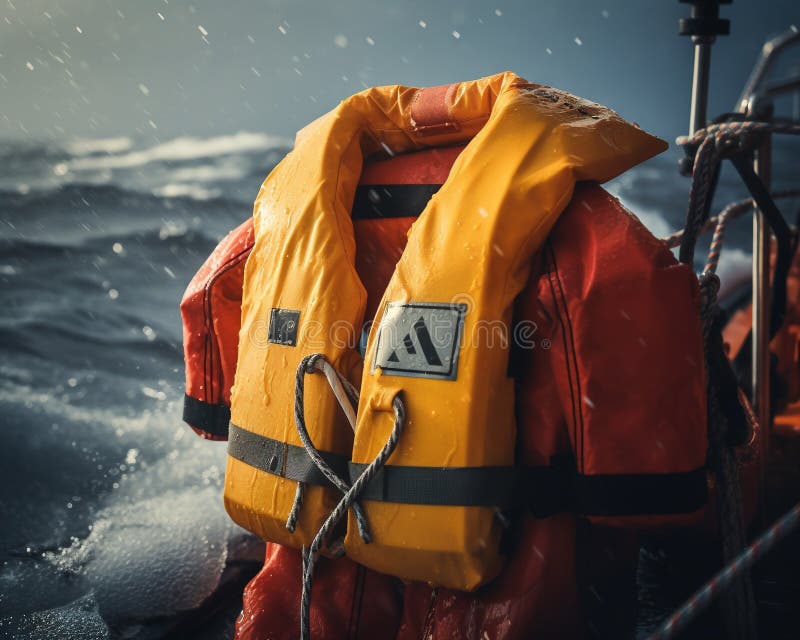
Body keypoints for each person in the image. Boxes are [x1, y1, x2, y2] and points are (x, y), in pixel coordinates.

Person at [181, 73, 711, 639]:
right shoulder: (578, 218)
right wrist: (647, 496)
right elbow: (629, 309)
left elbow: (208, 297)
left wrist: (220, 409)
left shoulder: (283, 215)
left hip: (306, 585)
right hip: (503, 577)